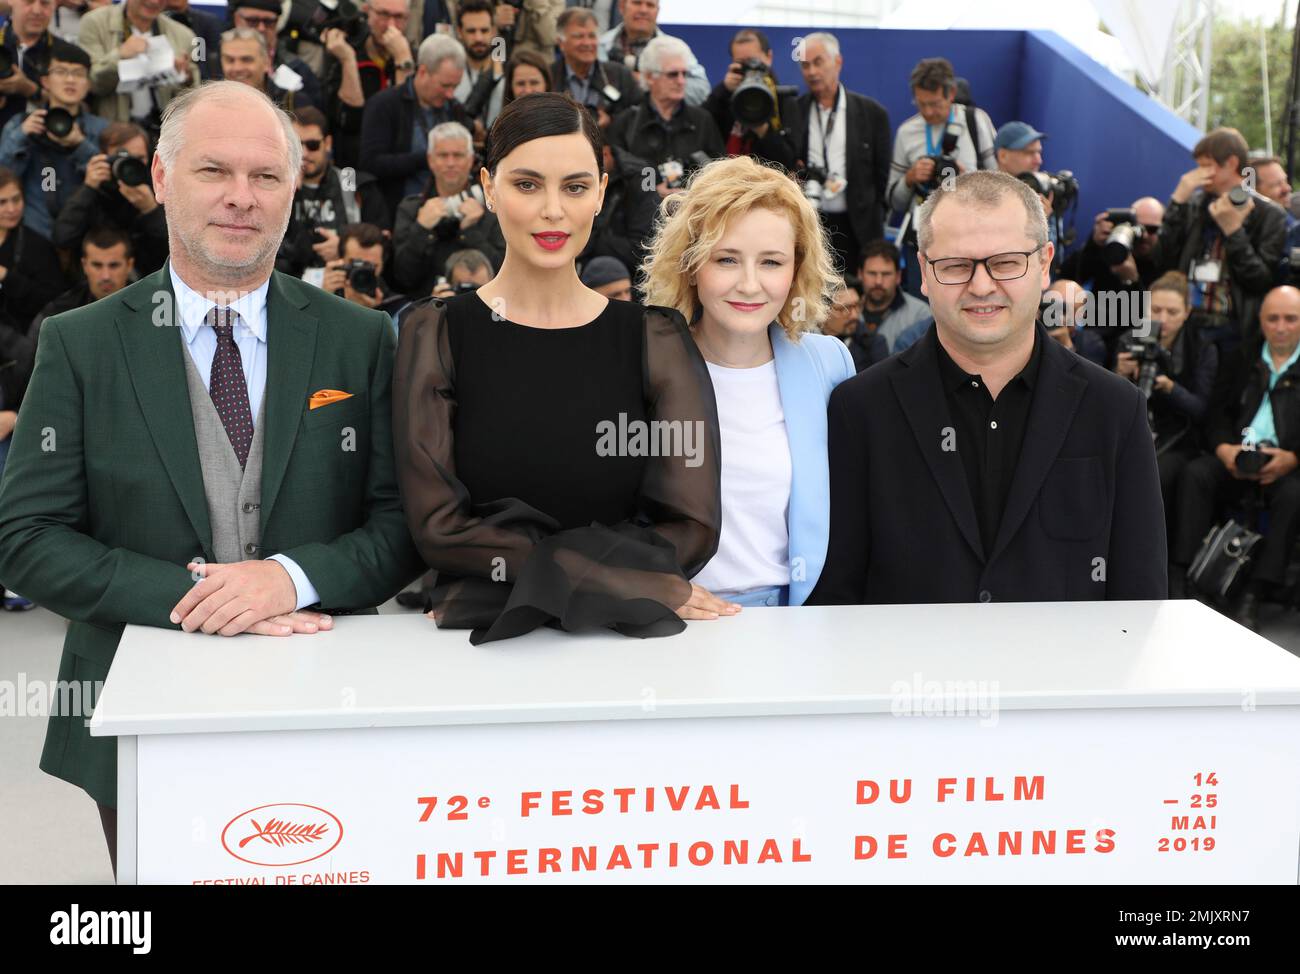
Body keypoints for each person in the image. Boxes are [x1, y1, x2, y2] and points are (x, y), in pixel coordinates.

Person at [0, 81, 424, 876]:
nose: (241, 198)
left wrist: (287, 580)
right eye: (213, 171)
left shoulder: (359, 339)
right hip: (134, 712)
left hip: (325, 704)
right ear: (161, 180)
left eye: (266, 177)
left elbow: (401, 526)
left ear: (294, 192)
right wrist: (206, 600)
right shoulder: (79, 344)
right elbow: (24, 541)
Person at [392, 91, 722, 643]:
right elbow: (437, 529)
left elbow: (691, 529)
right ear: (487, 189)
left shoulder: (654, 337)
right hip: (474, 668)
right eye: (527, 184)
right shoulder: (436, 332)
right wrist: (614, 578)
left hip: (620, 652)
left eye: (574, 186)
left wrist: (520, 578)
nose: (552, 210)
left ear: (600, 194)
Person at [810, 170, 1167, 605]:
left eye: (1005, 262)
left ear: (1044, 264)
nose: (981, 286)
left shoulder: (1115, 410)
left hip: (1067, 673)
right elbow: (836, 597)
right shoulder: (858, 411)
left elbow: (1140, 595)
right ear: (923, 271)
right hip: (908, 673)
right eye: (956, 265)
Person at [643, 155, 853, 607]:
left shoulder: (828, 364)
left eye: (772, 262)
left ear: (796, 270)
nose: (750, 284)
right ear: (691, 266)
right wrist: (648, 586)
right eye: (727, 259)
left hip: (798, 625)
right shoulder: (641, 364)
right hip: (671, 627)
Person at [1173, 286, 1300, 628]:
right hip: (1235, 457)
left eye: (1291, 318)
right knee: (1196, 474)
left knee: (1293, 496)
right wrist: (1223, 448)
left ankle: (1254, 593)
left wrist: (1293, 458)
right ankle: (1185, 580)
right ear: (1261, 320)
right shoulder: (1242, 358)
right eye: (1273, 318)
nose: (1281, 327)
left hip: (1286, 465)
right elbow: (1216, 415)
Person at [1151, 127, 1287, 351]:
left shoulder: (1268, 213)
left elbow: (1259, 279)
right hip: (1187, 325)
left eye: (1206, 166)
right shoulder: (1194, 204)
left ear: (1231, 163)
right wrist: (1177, 201)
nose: (1199, 174)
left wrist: (1233, 231)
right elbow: (1162, 259)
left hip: (1233, 331)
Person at [1111, 271, 1216, 560]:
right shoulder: (1129, 341)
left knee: (1157, 475)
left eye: (1172, 311)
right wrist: (1118, 376)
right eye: (1155, 310)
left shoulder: (1201, 347)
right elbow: (1104, 408)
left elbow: (1201, 409)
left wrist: (1170, 387)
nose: (1163, 319)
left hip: (1178, 437)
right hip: (1132, 434)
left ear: (1187, 312)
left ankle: (1160, 559)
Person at [888, 57, 996, 296]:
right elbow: (894, 201)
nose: (928, 112)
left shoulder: (975, 121)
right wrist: (910, 178)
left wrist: (966, 178)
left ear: (951, 93)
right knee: (925, 307)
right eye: (921, 104)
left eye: (935, 104)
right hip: (923, 240)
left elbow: (1001, 186)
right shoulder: (907, 132)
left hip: (972, 236)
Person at [795, 31, 890, 274]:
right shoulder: (794, 111)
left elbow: (882, 179)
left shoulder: (872, 113)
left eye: (818, 62)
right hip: (812, 224)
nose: (812, 72)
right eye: (805, 65)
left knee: (857, 299)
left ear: (838, 62)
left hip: (859, 227)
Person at [0, 39, 109, 238]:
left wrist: (80, 144)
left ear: (88, 84)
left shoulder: (101, 129)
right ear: (45, 81)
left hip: (85, 235)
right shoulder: (20, 124)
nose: (70, 80)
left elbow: (111, 186)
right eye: (61, 72)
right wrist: (21, 136)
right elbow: (4, 179)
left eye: (78, 74)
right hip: (33, 235)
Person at [360, 32, 469, 222]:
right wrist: (428, 158)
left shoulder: (453, 107)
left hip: (451, 214)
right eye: (445, 85)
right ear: (423, 72)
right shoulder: (384, 105)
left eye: (456, 86)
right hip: (398, 215)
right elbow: (370, 163)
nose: (451, 94)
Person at [391, 119, 503, 295]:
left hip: (482, 307)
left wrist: (471, 232)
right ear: (430, 160)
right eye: (443, 155)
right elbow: (403, 277)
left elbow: (503, 270)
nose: (450, 163)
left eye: (458, 155)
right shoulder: (411, 209)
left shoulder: (492, 207)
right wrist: (421, 228)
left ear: (471, 160)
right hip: (425, 308)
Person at [604, 36, 723, 200]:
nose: (681, 81)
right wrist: (652, 189)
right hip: (641, 220)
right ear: (650, 77)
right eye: (673, 74)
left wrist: (692, 191)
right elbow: (613, 179)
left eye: (684, 74)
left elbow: (721, 175)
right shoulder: (626, 123)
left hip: (692, 217)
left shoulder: (702, 120)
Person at [276, 106, 388, 278]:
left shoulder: (352, 181)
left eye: (313, 145)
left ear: (327, 144)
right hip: (292, 283)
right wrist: (286, 186)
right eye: (296, 145)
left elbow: (382, 241)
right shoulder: (275, 186)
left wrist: (345, 248)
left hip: (347, 284)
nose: (304, 153)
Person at [50, 119, 167, 273]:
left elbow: (172, 253)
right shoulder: (93, 189)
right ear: (104, 157)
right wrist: (89, 188)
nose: (131, 165)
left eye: (139, 159)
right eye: (123, 157)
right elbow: (62, 238)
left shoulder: (158, 188)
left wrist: (151, 211)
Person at [77, 0, 199, 133]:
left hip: (163, 131)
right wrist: (120, 55)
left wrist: (185, 76)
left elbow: (191, 100)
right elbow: (93, 85)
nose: (154, 2)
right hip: (113, 131)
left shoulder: (183, 35)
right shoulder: (94, 23)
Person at [703, 27, 799, 172]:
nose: (750, 69)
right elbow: (700, 128)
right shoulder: (724, 98)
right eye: (742, 63)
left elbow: (788, 164)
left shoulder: (784, 102)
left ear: (769, 57)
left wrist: (763, 129)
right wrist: (723, 90)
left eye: (754, 61)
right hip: (727, 183)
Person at [29, 224, 133, 341]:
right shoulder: (58, 314)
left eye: (114, 265)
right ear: (84, 265)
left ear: (129, 265)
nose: (106, 276)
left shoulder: (151, 307)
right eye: (97, 265)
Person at [598, 0, 707, 106]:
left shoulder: (674, 49)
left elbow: (701, 91)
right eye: (637, 3)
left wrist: (653, 83)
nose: (643, 10)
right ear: (622, 6)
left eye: (650, 5)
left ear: (657, 11)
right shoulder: (598, 46)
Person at [551, 6, 637, 131]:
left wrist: (612, 122)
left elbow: (637, 116)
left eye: (592, 36)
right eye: (579, 36)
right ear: (561, 43)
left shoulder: (619, 74)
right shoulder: (548, 76)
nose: (587, 43)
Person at [0, 165, 66, 328]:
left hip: (19, 341)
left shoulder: (37, 245)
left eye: (16, 199)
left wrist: (7, 277)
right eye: (2, 202)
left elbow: (53, 300)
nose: (12, 209)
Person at [858, 240, 931, 352]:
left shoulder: (920, 314)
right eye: (872, 273)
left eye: (886, 274)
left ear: (898, 276)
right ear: (860, 274)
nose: (878, 281)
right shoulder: (842, 310)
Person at [219, 27, 315, 111]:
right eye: (230, 60)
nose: (237, 68)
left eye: (246, 60)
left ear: (267, 63)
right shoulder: (210, 101)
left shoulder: (292, 104)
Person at [0, 0, 59, 135]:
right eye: (29, 2)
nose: (37, 11)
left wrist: (28, 89)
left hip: (48, 147)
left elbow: (80, 109)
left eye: (45, 3)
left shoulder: (68, 54)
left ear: (55, 5)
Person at [822, 273, 887, 372]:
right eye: (844, 309)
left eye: (857, 306)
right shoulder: (806, 341)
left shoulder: (873, 344)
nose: (854, 315)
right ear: (823, 311)